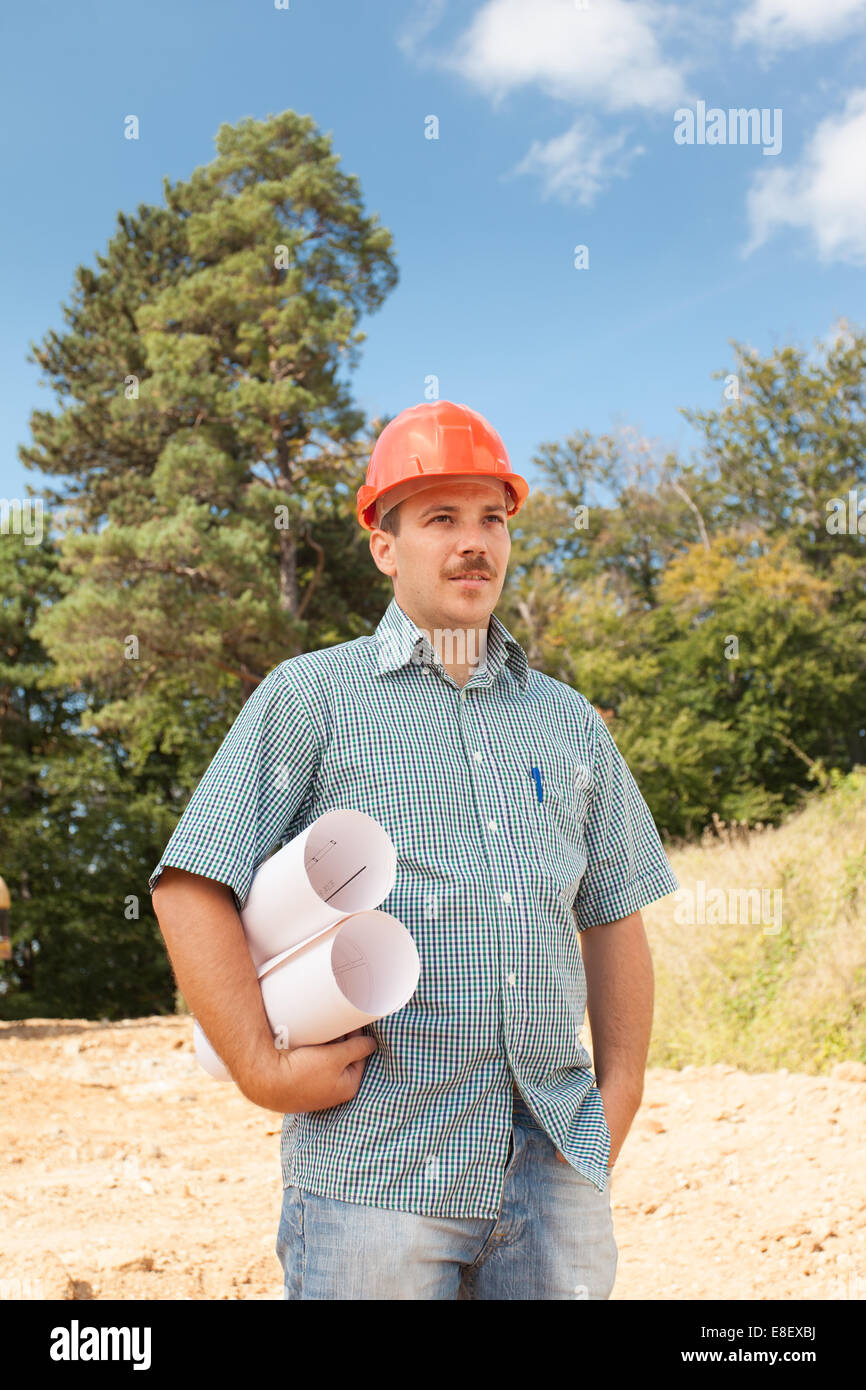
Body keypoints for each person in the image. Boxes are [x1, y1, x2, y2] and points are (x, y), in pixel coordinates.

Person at [150, 399, 679, 1300]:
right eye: (441, 518)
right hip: (376, 1180)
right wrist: (260, 1069)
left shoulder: (568, 723)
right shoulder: (311, 697)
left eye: (492, 518)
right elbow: (190, 884)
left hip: (554, 1171)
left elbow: (614, 914)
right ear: (384, 544)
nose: (474, 542)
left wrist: (615, 1101)